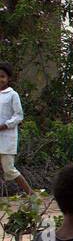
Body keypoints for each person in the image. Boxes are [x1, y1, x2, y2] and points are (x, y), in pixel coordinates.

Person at [0, 62, 34, 195]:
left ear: (8, 79)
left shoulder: (12, 95)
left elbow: (19, 115)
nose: (0, 79)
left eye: (2, 76)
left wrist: (5, 125)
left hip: (7, 138)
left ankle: (31, 194)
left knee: (9, 169)